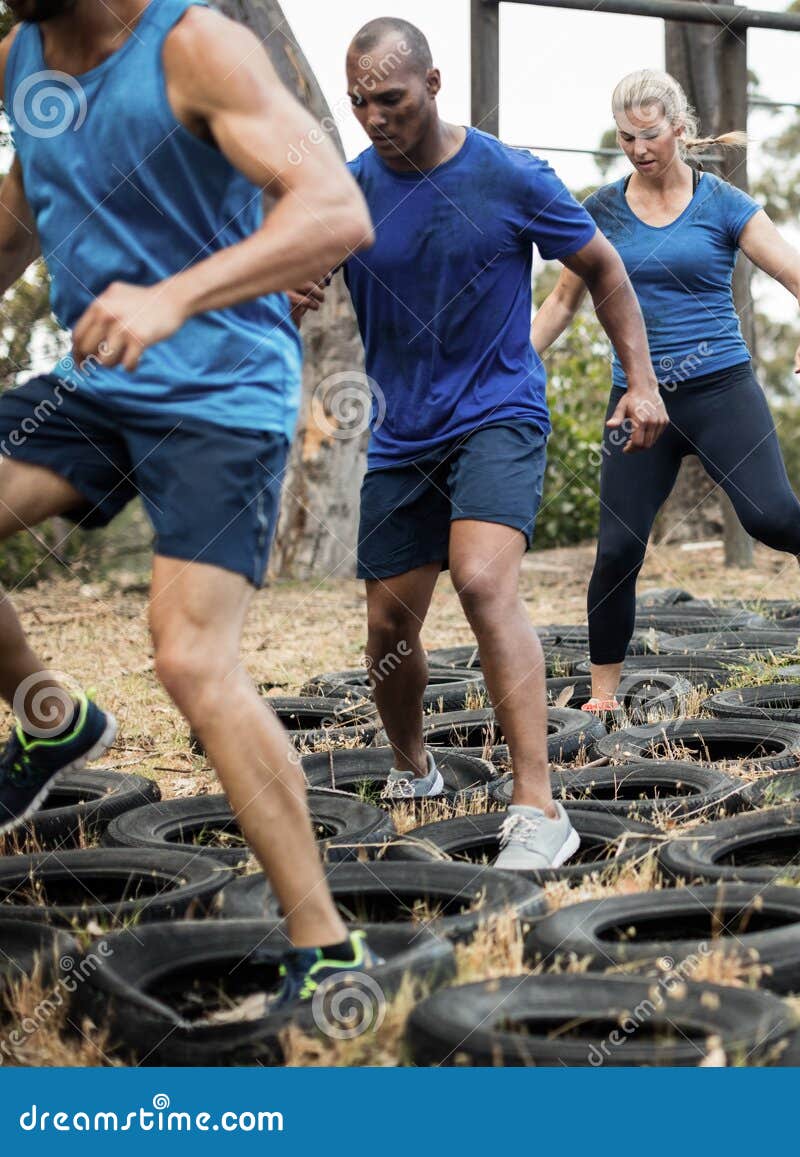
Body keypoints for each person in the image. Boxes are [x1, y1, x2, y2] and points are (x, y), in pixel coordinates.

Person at [0, 0, 377, 1009]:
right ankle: (51, 719)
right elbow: (23, 210)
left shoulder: (197, 46)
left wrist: (173, 294)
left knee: (189, 656)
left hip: (221, 393)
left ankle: (327, 946)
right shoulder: (22, 58)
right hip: (96, 383)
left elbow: (334, 208)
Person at [318, 20, 665, 869]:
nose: (374, 117)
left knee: (480, 579)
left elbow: (604, 268)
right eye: (359, 102)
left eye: (391, 99)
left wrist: (642, 381)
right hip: (402, 435)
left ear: (434, 84)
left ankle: (539, 807)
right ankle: (415, 769)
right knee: (387, 625)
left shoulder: (509, 174)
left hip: (498, 412)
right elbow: (285, 277)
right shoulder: (345, 194)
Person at [531, 69, 800, 715]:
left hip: (719, 390)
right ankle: (602, 695)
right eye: (626, 137)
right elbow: (561, 303)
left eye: (650, 135)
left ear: (679, 130)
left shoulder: (723, 203)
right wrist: (511, 363)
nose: (638, 149)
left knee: (768, 516)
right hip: (638, 400)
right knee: (617, 550)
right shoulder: (600, 211)